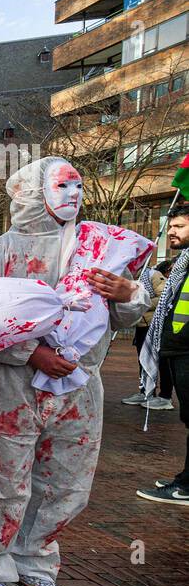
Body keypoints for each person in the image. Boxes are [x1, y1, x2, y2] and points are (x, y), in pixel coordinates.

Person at [0, 157, 146, 586]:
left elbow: (117, 317)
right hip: (7, 391)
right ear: (31, 192)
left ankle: (35, 567)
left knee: (64, 483)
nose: (74, 195)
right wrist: (29, 354)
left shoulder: (98, 250)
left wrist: (130, 296)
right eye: (63, 185)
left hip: (77, 392)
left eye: (79, 185)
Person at [137, 205, 189, 505]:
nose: (171, 231)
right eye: (171, 226)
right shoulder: (182, 262)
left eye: (180, 226)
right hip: (179, 350)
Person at [123, 258, 172, 409]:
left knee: (161, 361)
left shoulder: (153, 275)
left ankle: (165, 397)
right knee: (143, 359)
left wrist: (141, 304)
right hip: (141, 324)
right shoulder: (130, 278)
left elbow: (165, 296)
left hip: (154, 324)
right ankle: (145, 392)